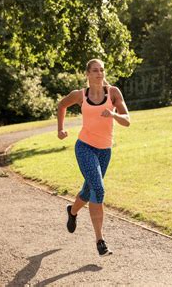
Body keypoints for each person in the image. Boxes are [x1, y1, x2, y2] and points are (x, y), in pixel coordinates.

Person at [57, 58, 131, 256]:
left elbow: (127, 121)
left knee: (89, 189)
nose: (99, 73)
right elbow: (61, 105)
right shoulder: (80, 95)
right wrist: (61, 129)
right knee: (98, 189)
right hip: (85, 147)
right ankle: (100, 241)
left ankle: (72, 211)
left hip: (105, 150)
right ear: (87, 74)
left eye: (102, 70)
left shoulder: (113, 93)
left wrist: (114, 115)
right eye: (95, 70)